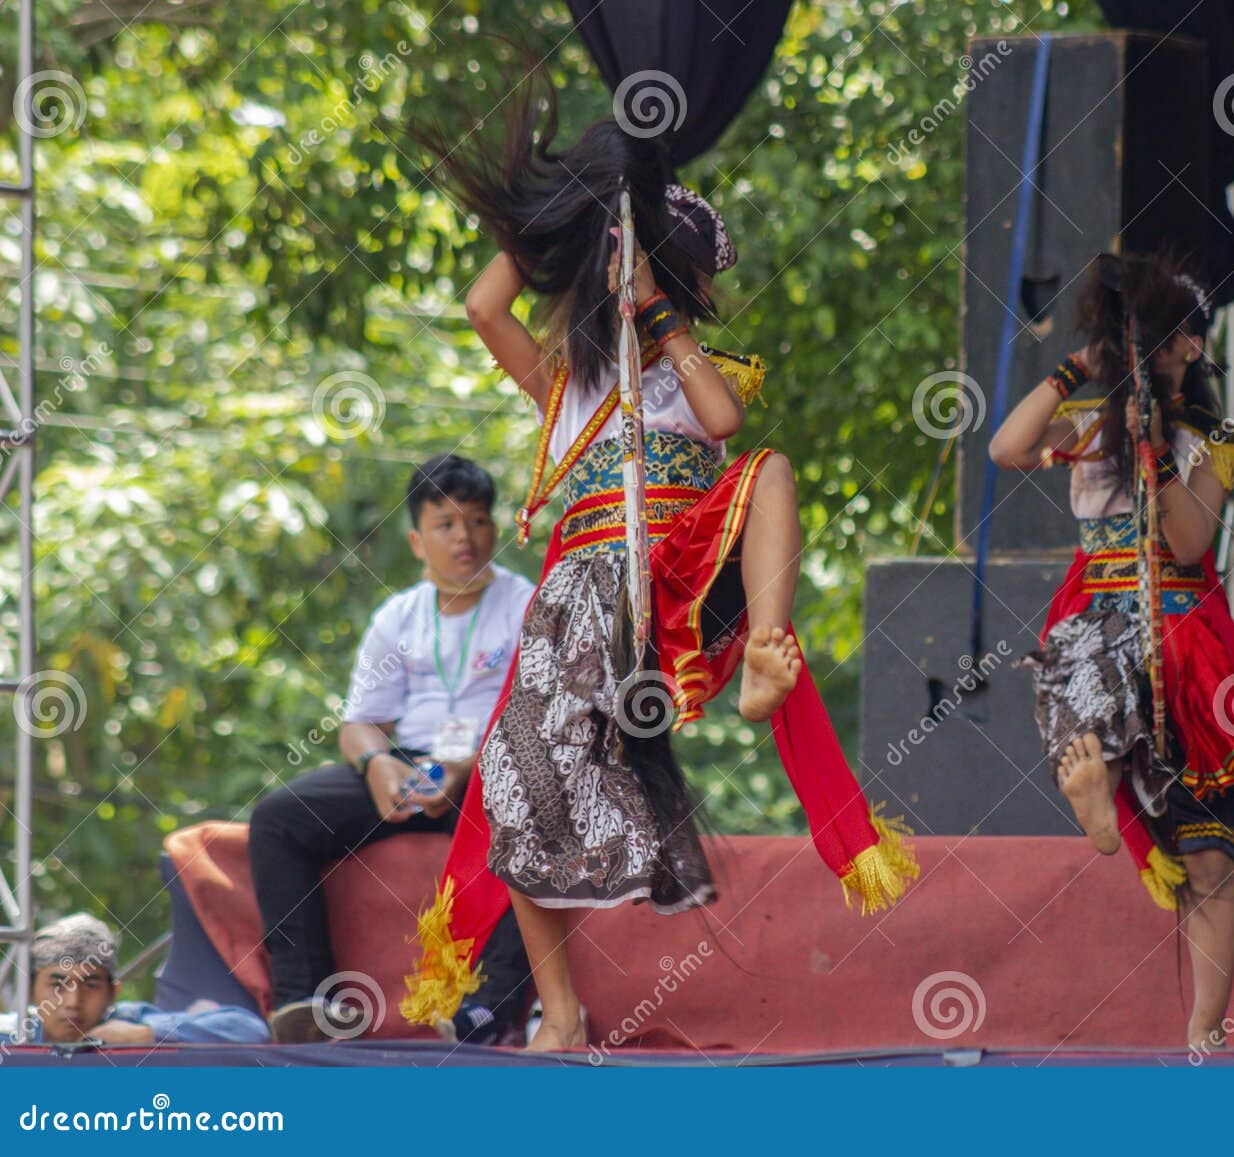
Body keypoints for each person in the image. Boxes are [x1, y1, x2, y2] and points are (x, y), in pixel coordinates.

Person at [399, 69, 917, 1052]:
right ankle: (558, 1013)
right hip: (582, 593)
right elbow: (481, 305)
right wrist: (577, 214)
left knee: (767, 469)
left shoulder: (689, 361)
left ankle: (769, 647)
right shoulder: (566, 383)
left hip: (680, 569)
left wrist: (655, 313)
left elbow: (721, 420)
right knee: (519, 794)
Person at [989, 252, 1234, 1051]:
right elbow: (1006, 448)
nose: (1147, 355)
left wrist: (1154, 451)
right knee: (1078, 680)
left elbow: (1193, 538)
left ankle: (1207, 1023)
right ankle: (1098, 788)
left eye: (1160, 342)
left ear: (1189, 348)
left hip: (1183, 641)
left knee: (1206, 850)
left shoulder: (1213, 440)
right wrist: (1076, 370)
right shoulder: (1090, 426)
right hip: (1102, 619)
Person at [248, 454, 536, 1044]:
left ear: (494, 529)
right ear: (416, 539)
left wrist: (468, 766)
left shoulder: (525, 604)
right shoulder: (397, 615)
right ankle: (306, 1001)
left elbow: (542, 717)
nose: (465, 537)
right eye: (446, 524)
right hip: (411, 766)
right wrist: (376, 764)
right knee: (279, 817)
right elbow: (360, 723)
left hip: (498, 767)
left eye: (478, 521)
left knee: (538, 810)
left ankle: (490, 1008)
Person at [0, 913, 269, 1046]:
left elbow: (249, 1029)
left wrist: (146, 1034)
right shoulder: (10, 1037)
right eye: (58, 984)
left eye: (91, 985)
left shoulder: (129, 1024)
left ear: (113, 993)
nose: (73, 1002)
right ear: (30, 991)